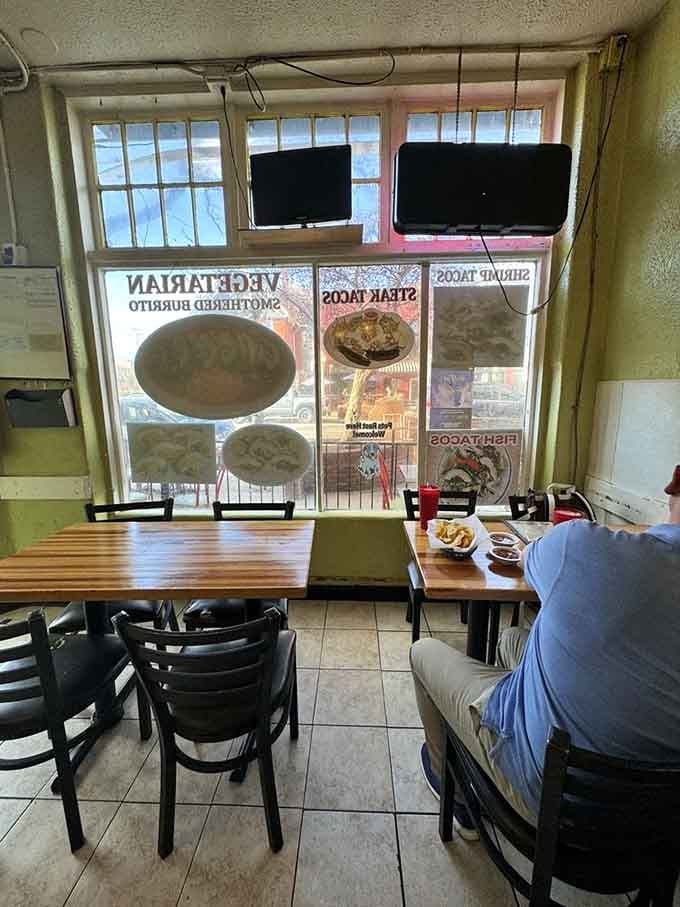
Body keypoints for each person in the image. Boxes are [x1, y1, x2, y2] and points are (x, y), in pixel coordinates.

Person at [411, 466, 680, 839]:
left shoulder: (578, 545)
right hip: (658, 825)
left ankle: (458, 795)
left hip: (552, 797)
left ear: (671, 494)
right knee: (511, 640)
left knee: (423, 652)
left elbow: (525, 561)